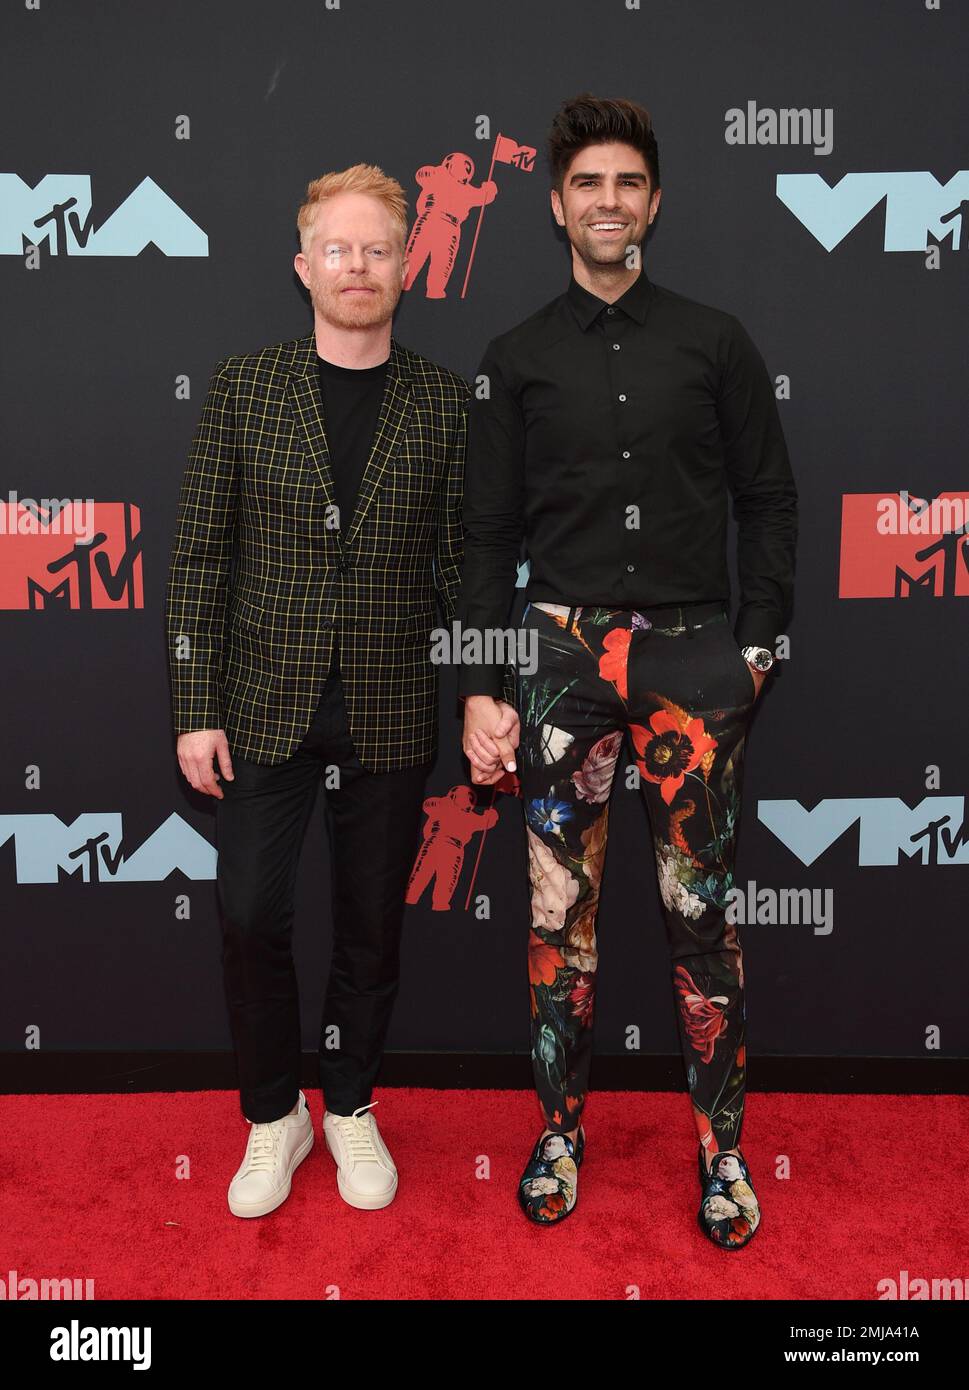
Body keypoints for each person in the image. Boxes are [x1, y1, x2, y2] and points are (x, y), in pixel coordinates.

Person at [457, 94, 797, 1248]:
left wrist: (757, 646)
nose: (609, 201)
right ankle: (558, 1133)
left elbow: (771, 500)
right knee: (563, 917)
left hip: (697, 655)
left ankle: (726, 1155)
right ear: (556, 207)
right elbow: (484, 533)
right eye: (587, 184)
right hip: (557, 657)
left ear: (655, 201)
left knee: (701, 918)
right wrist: (487, 683)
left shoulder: (715, 340)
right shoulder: (516, 359)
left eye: (628, 183)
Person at [165, 164, 469, 1218]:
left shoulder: (443, 399)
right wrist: (194, 702)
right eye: (336, 249)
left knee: (371, 928)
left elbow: (462, 566)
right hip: (261, 705)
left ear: (404, 268)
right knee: (250, 913)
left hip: (389, 705)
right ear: (303, 266)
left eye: (378, 249)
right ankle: (271, 1117)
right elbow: (199, 557)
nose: (357, 266)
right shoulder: (244, 387)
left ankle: (347, 1104)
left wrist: (480, 683)